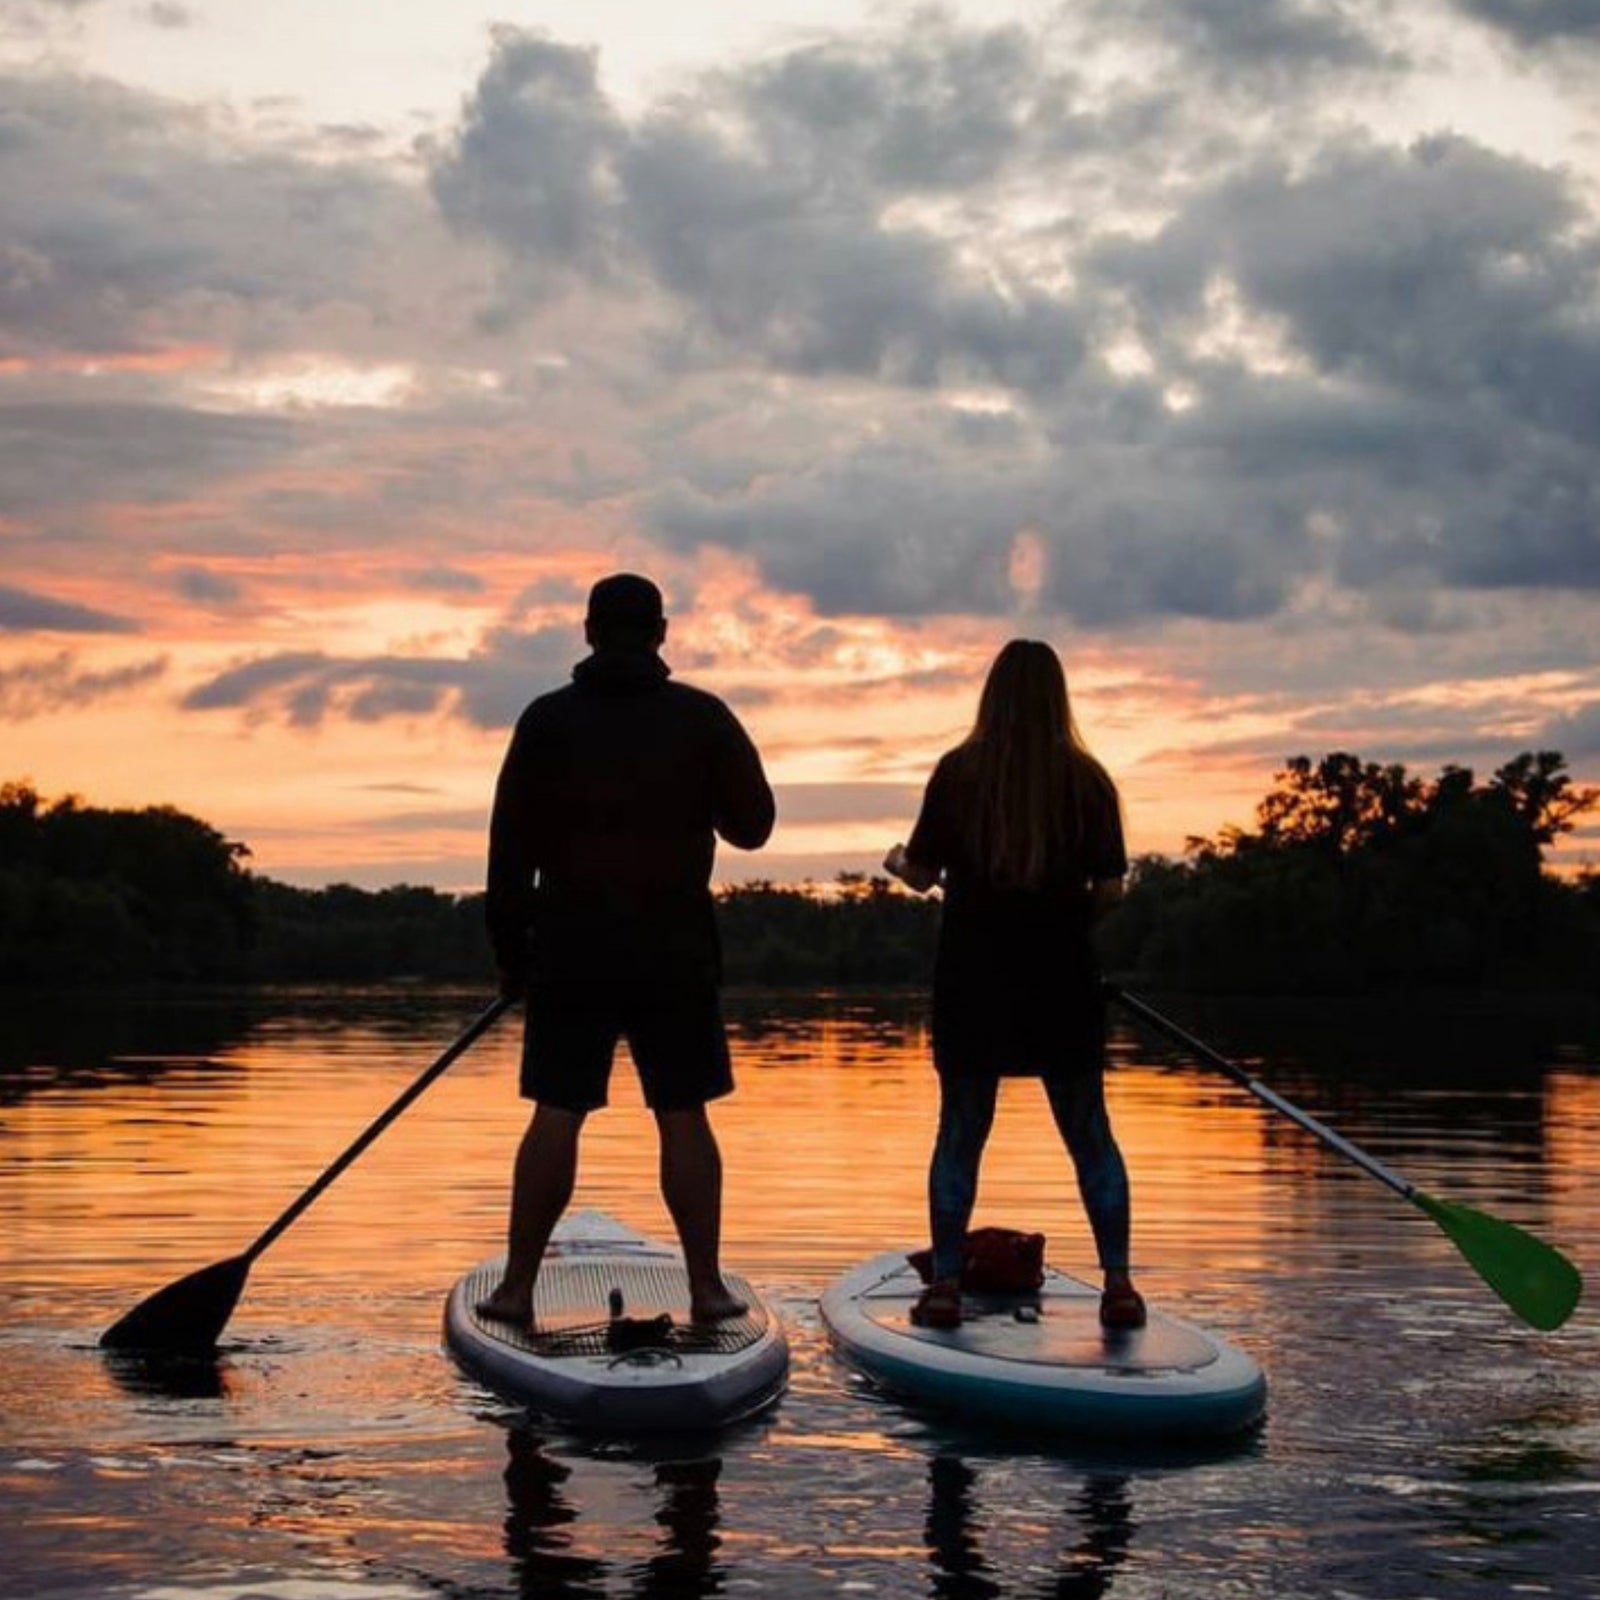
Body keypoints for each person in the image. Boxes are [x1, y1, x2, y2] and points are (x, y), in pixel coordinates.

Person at [478, 572, 775, 1329]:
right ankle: (705, 1289)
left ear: (587, 632)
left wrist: (513, 955)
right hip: (672, 951)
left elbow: (507, 854)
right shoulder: (701, 718)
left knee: (557, 1111)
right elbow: (754, 826)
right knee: (684, 1113)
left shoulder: (546, 722)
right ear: (663, 634)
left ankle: (516, 1289)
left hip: (570, 950)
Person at [883, 638, 1144, 1330]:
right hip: (1063, 982)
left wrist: (897, 865)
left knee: (961, 1132)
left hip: (974, 981)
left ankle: (944, 1286)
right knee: (1090, 1133)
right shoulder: (1089, 781)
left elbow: (921, 872)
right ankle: (1118, 1287)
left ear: (991, 695)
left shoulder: (958, 773)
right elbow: (1112, 890)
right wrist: (1065, 926)